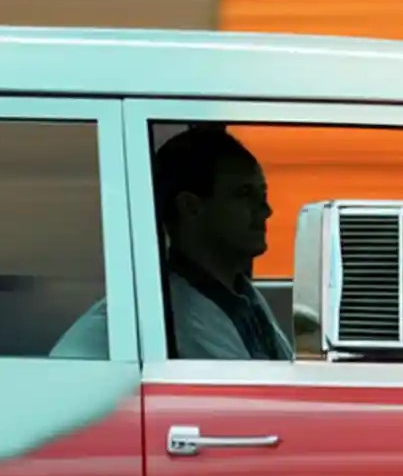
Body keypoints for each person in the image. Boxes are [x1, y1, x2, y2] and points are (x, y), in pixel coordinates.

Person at [51, 126, 294, 360]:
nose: (266, 210)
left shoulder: (236, 295)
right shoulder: (174, 315)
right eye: (244, 194)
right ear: (191, 207)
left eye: (262, 194)